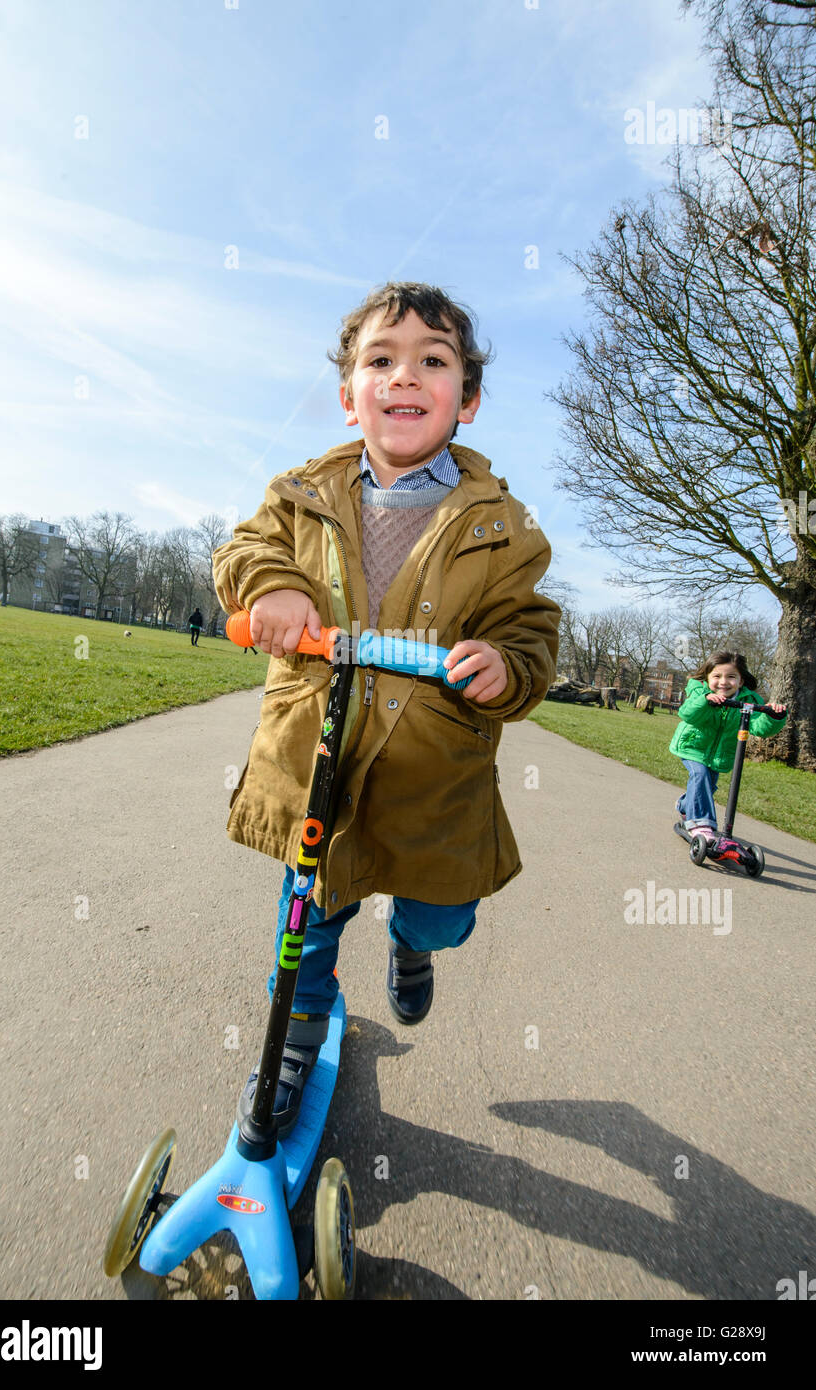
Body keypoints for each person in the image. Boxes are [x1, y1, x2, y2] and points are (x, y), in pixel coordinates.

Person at [212, 281, 561, 1134]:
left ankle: (414, 944)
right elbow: (244, 550)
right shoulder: (299, 493)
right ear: (348, 397)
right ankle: (293, 1039)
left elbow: (529, 627)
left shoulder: (503, 525)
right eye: (381, 359)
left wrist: (504, 663)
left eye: (432, 361)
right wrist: (274, 587)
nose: (404, 375)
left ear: (466, 401)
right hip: (316, 759)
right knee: (308, 916)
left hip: (432, 774)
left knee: (442, 914)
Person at [670, 650, 788, 840]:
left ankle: (685, 806)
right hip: (693, 747)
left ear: (741, 681)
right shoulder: (700, 691)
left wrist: (773, 717)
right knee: (699, 776)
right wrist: (705, 701)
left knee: (707, 787)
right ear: (708, 677)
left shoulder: (749, 702)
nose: (723, 682)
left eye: (731, 677)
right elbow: (687, 714)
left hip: (720, 754)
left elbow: (759, 728)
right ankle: (701, 825)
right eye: (717, 676)